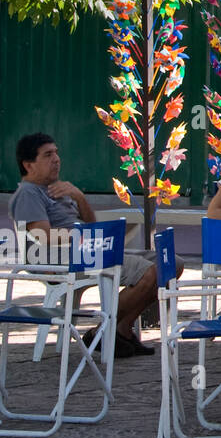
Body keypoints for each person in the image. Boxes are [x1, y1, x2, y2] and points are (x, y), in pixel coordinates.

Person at [9, 133, 160, 358]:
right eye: (48, 155)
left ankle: (117, 330)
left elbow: (91, 224)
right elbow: (45, 236)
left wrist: (78, 196)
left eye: (57, 153)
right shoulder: (28, 194)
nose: (57, 159)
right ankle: (107, 332)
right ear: (28, 165)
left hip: (89, 250)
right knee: (151, 272)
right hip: (64, 260)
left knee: (170, 264)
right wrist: (86, 236)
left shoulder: (59, 189)